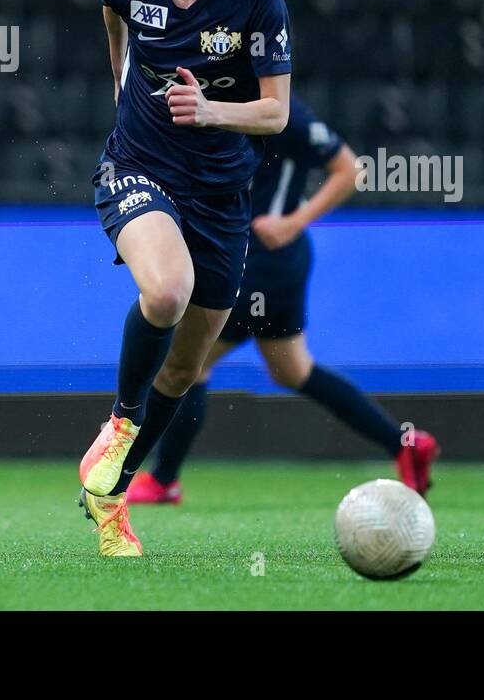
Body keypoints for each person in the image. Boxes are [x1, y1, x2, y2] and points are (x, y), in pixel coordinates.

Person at [77, 0, 292, 556]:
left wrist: (210, 109)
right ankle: (118, 422)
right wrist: (120, 83)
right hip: (139, 170)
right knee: (166, 292)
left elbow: (276, 114)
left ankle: (111, 498)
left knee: (187, 367)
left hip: (222, 197)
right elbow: (113, 15)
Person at [127, 94, 440, 505]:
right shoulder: (223, 105)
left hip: (262, 260)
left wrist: (292, 222)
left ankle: (163, 479)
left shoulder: (283, 115)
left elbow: (349, 169)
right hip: (269, 260)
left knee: (190, 362)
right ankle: (404, 444)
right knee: (292, 369)